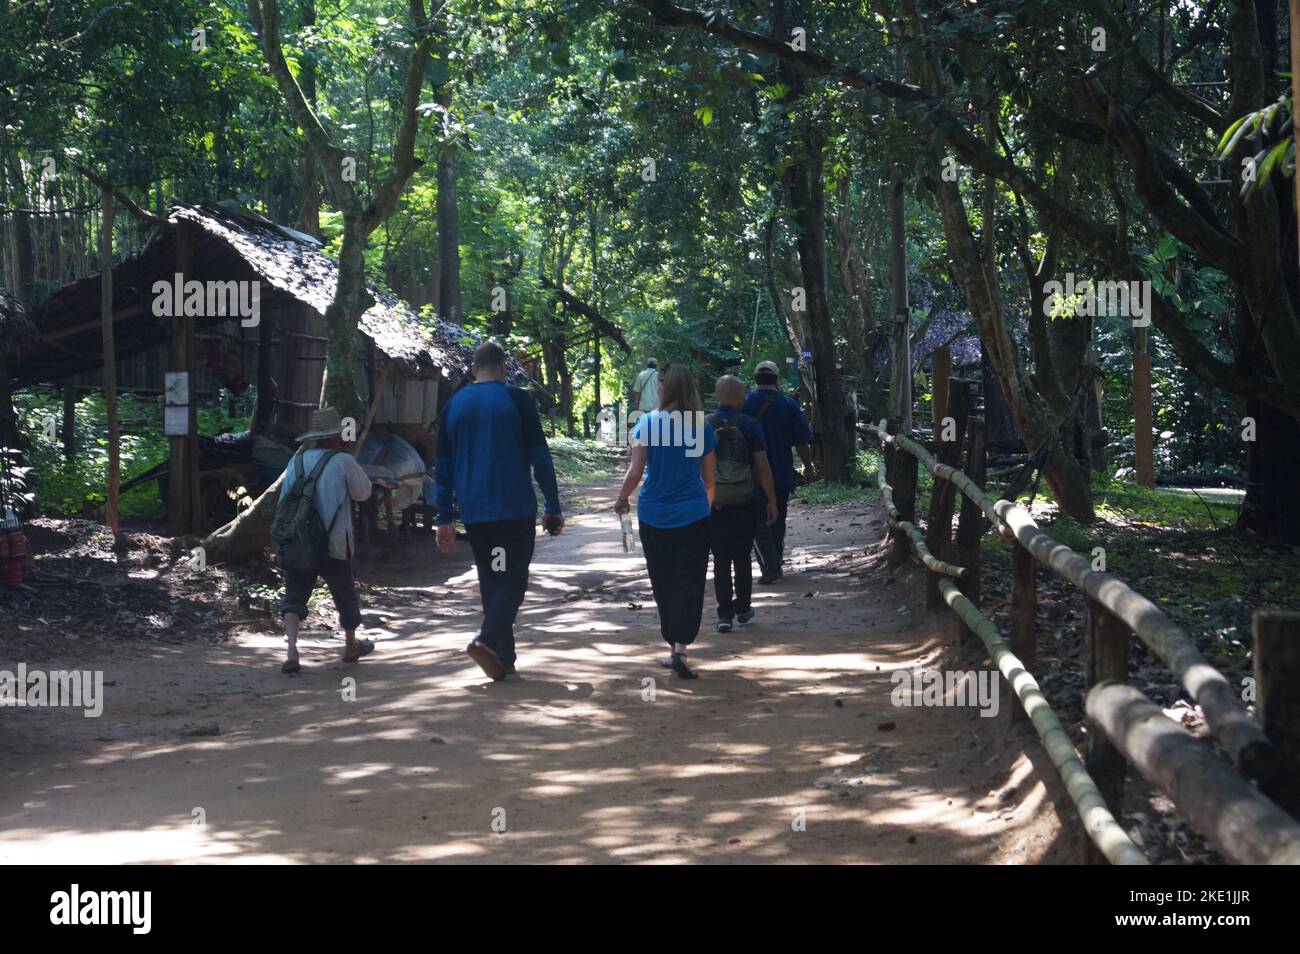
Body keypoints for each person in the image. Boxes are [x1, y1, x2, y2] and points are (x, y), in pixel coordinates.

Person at [435, 341, 563, 681]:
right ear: (504, 366)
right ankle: (487, 638)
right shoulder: (518, 399)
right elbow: (540, 457)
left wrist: (443, 517)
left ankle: (503, 659)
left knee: (493, 577)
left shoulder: (454, 405)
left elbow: (442, 467)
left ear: (474, 368)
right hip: (514, 508)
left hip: (476, 513)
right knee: (512, 580)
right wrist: (552, 505)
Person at [614, 364, 716, 679]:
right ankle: (681, 648)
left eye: (660, 384)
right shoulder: (701, 426)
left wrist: (621, 499)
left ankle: (672, 642)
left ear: (665, 388)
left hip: (654, 515)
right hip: (693, 515)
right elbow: (710, 480)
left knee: (663, 580)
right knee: (690, 580)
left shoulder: (647, 423)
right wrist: (704, 508)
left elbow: (635, 471)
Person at [277, 406, 374, 674]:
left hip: (298, 540)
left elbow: (283, 501)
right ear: (336, 436)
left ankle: (292, 651)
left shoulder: (295, 462)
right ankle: (351, 645)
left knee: (294, 595)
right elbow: (363, 493)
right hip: (334, 542)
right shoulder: (343, 461)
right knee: (344, 595)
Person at [708, 375, 778, 632]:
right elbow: (762, 467)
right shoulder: (750, 425)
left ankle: (724, 613)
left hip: (715, 503)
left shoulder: (704, 425)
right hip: (746, 500)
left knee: (720, 559)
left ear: (717, 396)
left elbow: (697, 468)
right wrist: (771, 500)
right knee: (742, 556)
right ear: (740, 397)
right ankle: (744, 608)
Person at [743, 360, 813, 583]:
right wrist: (809, 466)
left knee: (758, 519)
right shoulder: (788, 404)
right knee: (778, 516)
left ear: (756, 380)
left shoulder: (745, 403)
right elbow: (802, 440)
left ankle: (770, 565)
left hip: (752, 473)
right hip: (781, 472)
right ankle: (775, 560)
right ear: (776, 379)